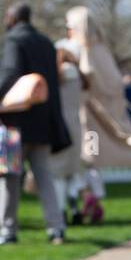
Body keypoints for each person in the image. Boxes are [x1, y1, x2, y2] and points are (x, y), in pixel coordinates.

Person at [0, 2, 72, 247]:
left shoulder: (14, 40)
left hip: (18, 123)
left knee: (10, 177)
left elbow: (11, 71)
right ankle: (56, 228)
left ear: (13, 18)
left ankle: (7, 230)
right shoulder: (46, 42)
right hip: (43, 122)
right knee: (44, 175)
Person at [65, 5, 131, 222]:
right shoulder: (101, 50)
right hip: (94, 120)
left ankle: (86, 196)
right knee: (91, 161)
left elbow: (87, 80)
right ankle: (92, 199)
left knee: (82, 161)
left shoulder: (82, 50)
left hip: (85, 120)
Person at [49, 38, 86, 226]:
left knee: (58, 174)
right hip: (76, 126)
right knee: (73, 171)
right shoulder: (78, 77)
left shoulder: (57, 77)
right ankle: (75, 208)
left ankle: (61, 210)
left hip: (60, 127)